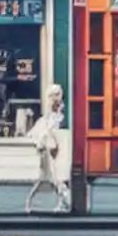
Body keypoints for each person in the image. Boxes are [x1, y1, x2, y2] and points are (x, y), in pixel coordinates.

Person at [25, 85, 70, 214]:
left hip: (54, 152)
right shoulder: (48, 118)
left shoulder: (59, 115)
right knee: (48, 180)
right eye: (52, 96)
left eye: (56, 95)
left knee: (56, 181)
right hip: (47, 153)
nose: (55, 99)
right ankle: (30, 203)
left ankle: (63, 203)